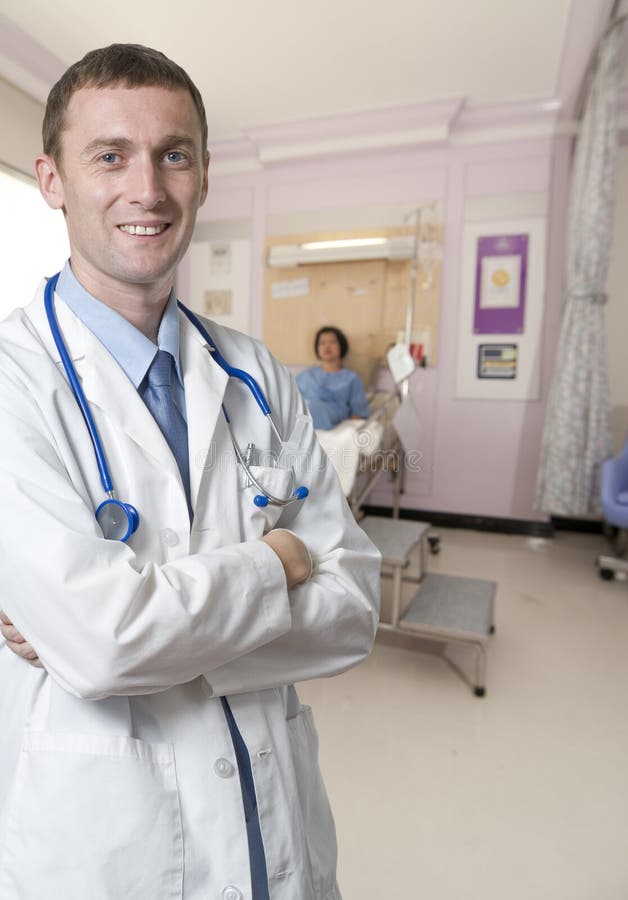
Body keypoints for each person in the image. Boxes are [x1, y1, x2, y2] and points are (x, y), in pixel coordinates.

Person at [0, 44, 380, 900]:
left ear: (204, 177)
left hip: (275, 825)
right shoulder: (13, 381)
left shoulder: (256, 374)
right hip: (105, 846)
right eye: (110, 156)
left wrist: (131, 624)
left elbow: (354, 607)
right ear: (53, 179)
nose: (148, 189)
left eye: (174, 154)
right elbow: (105, 644)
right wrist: (279, 563)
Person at [296, 326, 371, 430]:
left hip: (332, 416)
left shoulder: (351, 378)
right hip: (302, 415)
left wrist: (346, 430)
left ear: (341, 346)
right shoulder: (305, 376)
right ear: (317, 349)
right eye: (322, 343)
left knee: (314, 406)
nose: (327, 346)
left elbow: (358, 413)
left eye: (332, 342)